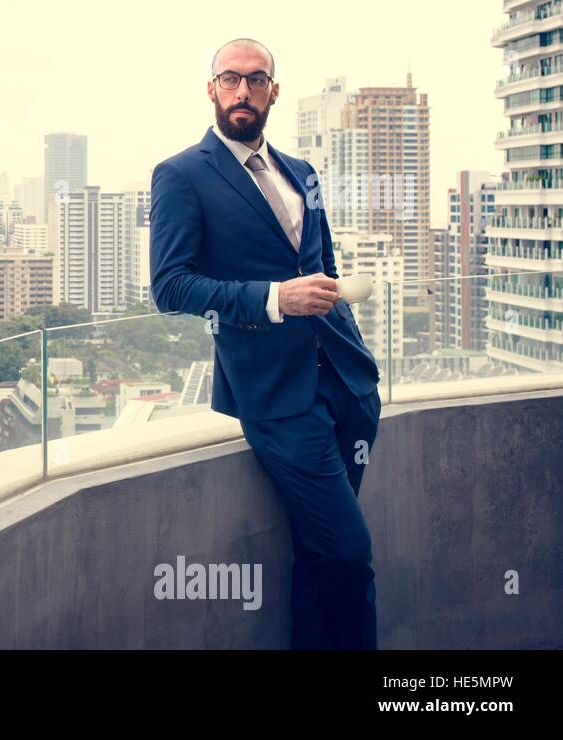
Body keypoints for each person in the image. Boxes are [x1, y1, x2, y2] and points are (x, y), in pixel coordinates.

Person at [149, 38, 383, 649]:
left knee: (320, 554)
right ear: (212, 89)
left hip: (347, 385)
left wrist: (358, 361)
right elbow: (171, 286)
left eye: (256, 80)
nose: (243, 91)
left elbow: (323, 264)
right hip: (277, 398)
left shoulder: (302, 172)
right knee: (352, 552)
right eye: (231, 79)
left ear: (273, 90)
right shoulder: (181, 175)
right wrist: (276, 299)